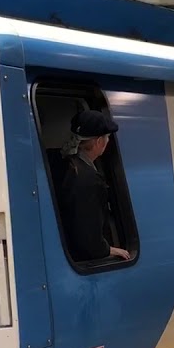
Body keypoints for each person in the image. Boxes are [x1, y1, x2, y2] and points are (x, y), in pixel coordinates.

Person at [57, 109, 131, 262]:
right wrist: (107, 250)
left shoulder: (67, 165)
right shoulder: (89, 179)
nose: (108, 141)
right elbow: (87, 231)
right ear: (99, 142)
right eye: (107, 137)